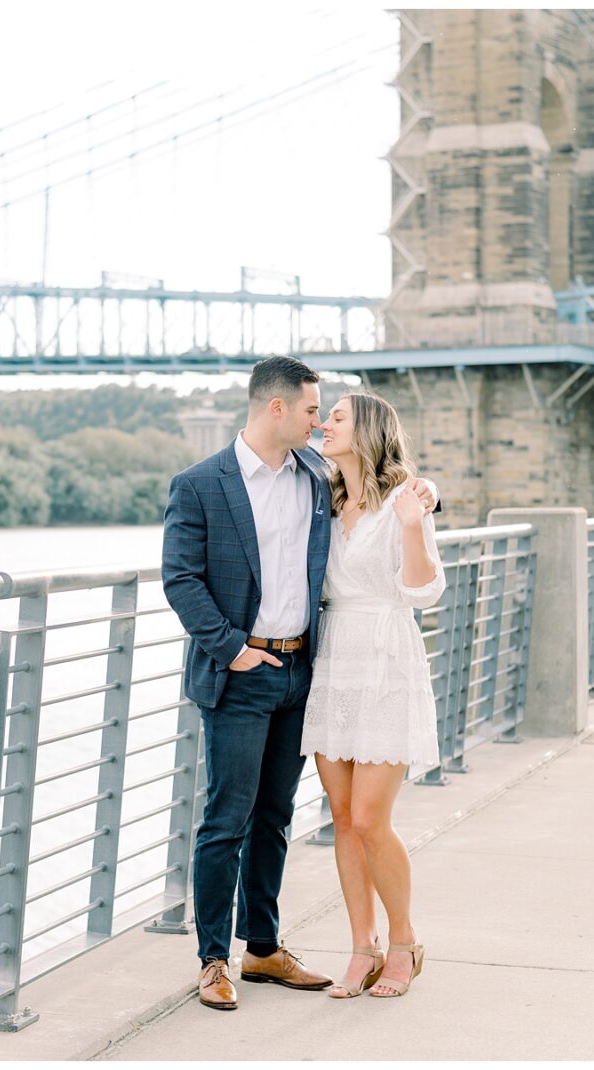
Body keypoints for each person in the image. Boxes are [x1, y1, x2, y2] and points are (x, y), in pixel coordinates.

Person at [160, 357, 436, 1011]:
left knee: (277, 818)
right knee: (226, 819)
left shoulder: (318, 477)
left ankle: (264, 946)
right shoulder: (201, 484)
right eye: (314, 410)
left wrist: (426, 502)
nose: (320, 422)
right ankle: (213, 961)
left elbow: (390, 488)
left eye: (328, 415)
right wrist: (234, 651)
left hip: (309, 672)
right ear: (277, 408)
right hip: (242, 672)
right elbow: (180, 579)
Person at [300, 391, 444, 998]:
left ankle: (405, 940)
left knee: (369, 818)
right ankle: (363, 946)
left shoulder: (404, 502)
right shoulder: (322, 497)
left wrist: (415, 522)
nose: (324, 423)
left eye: (335, 416)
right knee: (340, 818)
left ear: (368, 430)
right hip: (334, 660)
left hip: (385, 658)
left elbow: (424, 591)